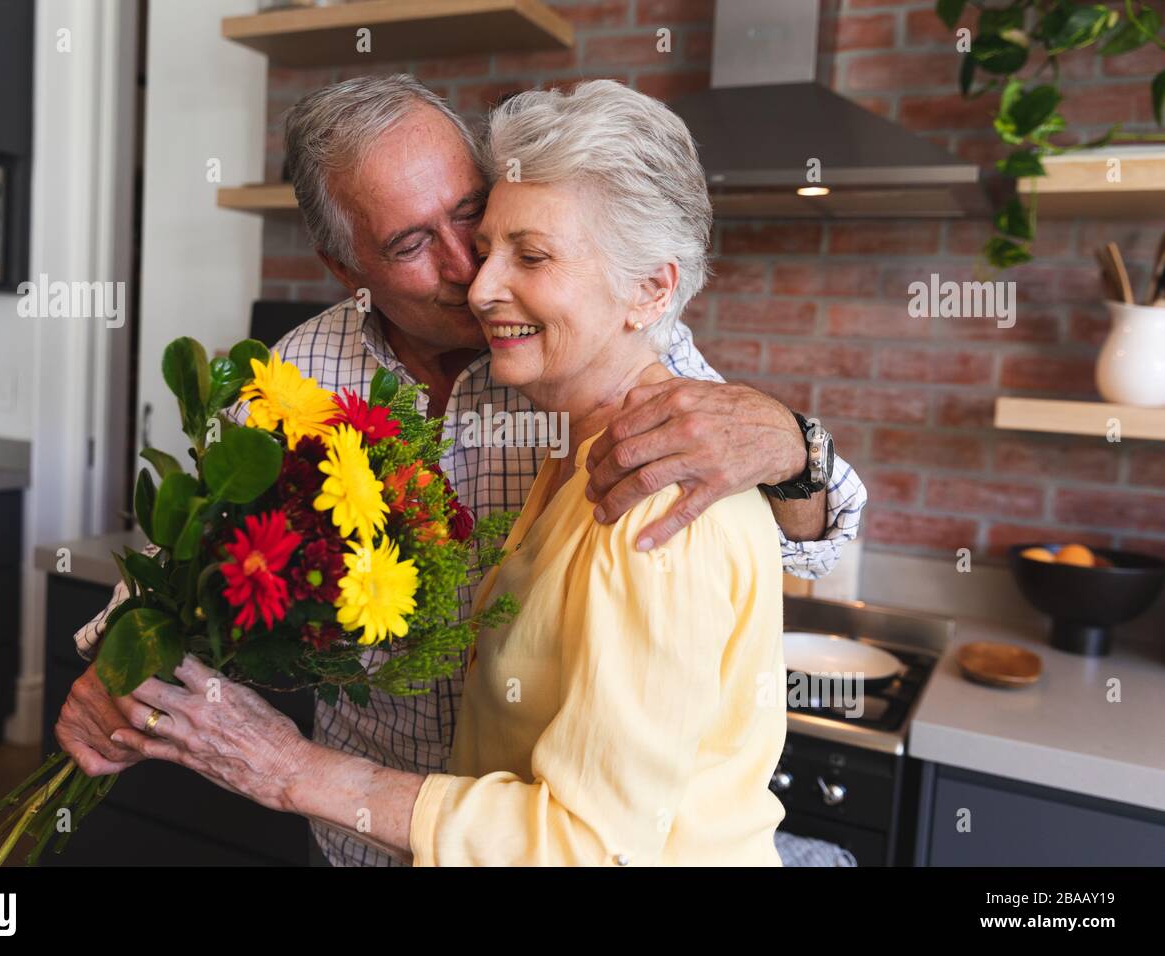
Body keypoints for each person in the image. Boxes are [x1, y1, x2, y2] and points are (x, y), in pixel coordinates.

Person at [61, 74, 868, 866]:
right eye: (413, 244)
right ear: (348, 271)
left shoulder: (599, 369)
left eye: (475, 221)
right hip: (365, 831)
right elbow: (208, 550)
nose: (471, 277)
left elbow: (774, 538)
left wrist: (792, 447)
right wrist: (118, 658)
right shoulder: (297, 374)